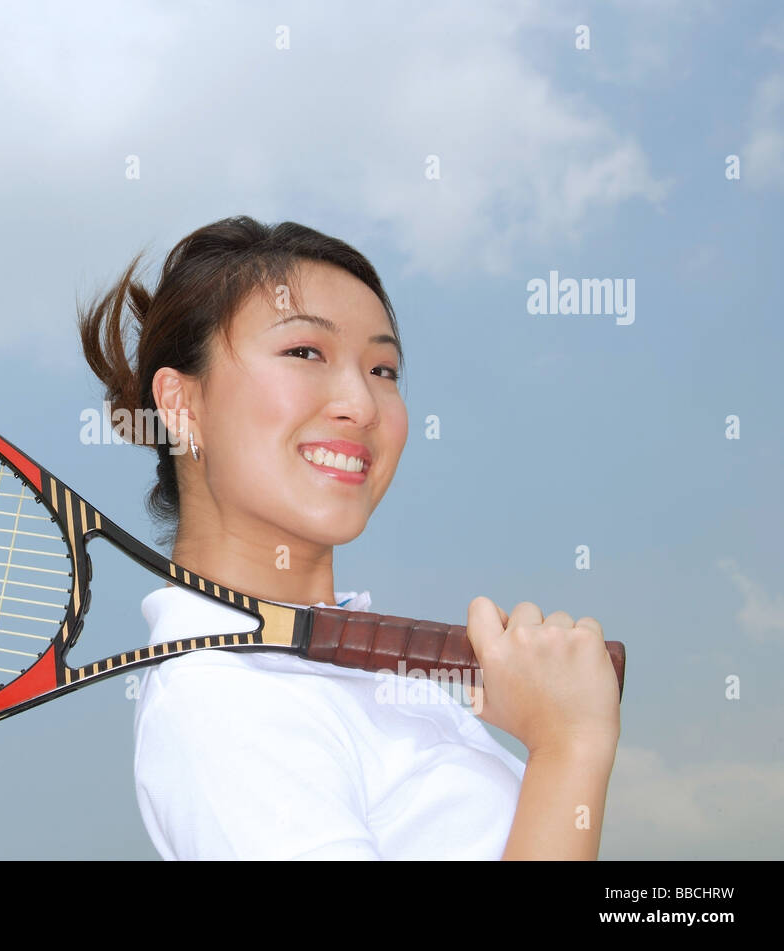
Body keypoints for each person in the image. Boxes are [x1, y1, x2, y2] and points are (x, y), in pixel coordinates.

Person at [76, 215, 621, 860]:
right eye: (305, 352)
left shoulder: (349, 674)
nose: (362, 405)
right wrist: (568, 746)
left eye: (384, 369)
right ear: (180, 403)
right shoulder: (221, 703)